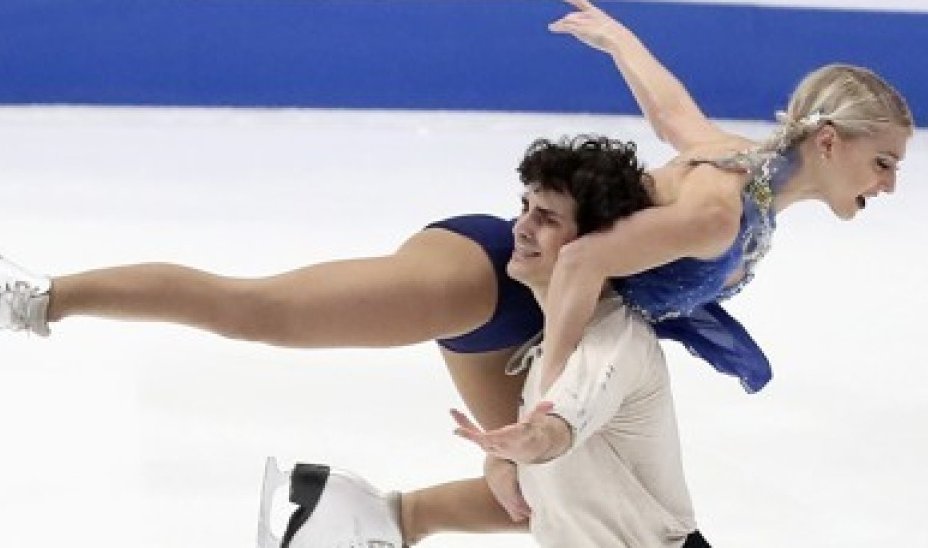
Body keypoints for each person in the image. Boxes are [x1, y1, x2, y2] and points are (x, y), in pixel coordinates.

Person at [0, 0, 914, 542]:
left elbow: (670, 112)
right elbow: (584, 264)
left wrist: (622, 43)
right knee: (260, 311)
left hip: (523, 309)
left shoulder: (739, 169)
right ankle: (12, 289)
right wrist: (551, 396)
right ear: (828, 142)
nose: (890, 183)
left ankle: (357, 517)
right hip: (494, 277)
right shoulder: (721, 203)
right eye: (883, 162)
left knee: (531, 499)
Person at [261, 134, 710, 547]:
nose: (521, 227)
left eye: (546, 218)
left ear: (597, 244)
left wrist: (532, 442)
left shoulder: (611, 344)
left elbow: (563, 422)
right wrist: (505, 462)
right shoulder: (551, 341)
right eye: (525, 208)